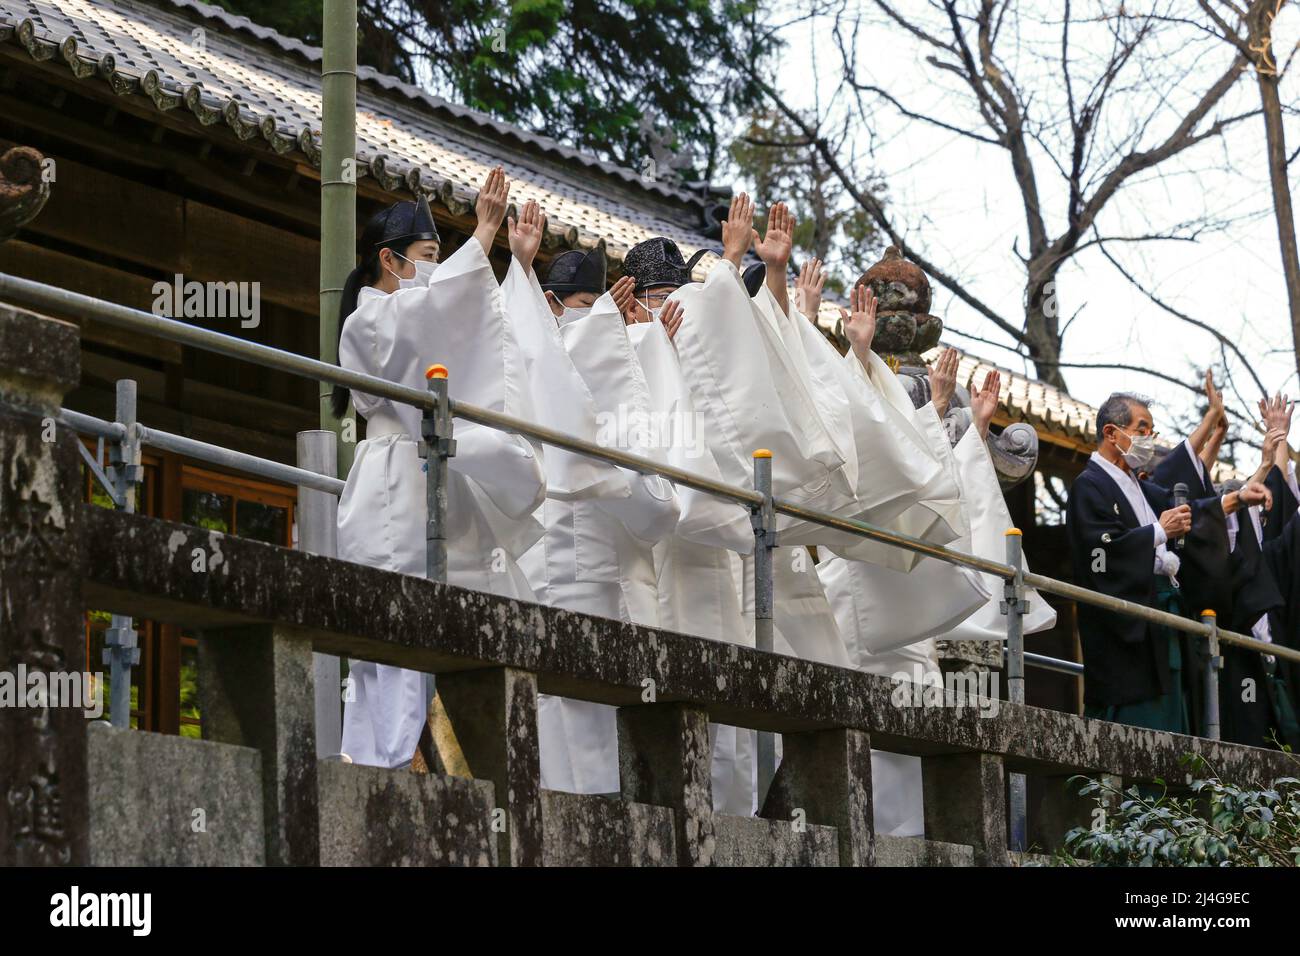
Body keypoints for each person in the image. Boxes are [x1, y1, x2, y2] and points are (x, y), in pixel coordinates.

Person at [333, 167, 548, 768]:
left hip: (427, 479)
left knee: (443, 624)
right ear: (389, 259)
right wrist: (480, 239)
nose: (434, 268)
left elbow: (461, 319)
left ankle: (438, 764)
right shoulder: (367, 319)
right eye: (427, 256)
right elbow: (431, 318)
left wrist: (515, 265)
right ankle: (383, 763)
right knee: (394, 636)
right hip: (391, 485)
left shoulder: (412, 304)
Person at [517, 255, 683, 794]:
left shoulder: (619, 367)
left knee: (599, 714)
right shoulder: (531, 360)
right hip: (546, 557)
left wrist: (652, 345)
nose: (595, 321)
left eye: (601, 309)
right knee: (546, 706)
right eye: (585, 307)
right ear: (550, 304)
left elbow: (653, 495)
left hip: (601, 563)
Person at [1067, 392, 1271, 734]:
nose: (1149, 438)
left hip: (1165, 618)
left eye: (1151, 430)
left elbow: (1193, 511)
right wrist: (1159, 531)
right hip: (1129, 624)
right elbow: (1098, 555)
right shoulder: (1089, 486)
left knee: (1175, 714)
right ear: (1111, 433)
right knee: (1139, 724)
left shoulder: (1139, 486)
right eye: (1141, 428)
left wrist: (1236, 498)